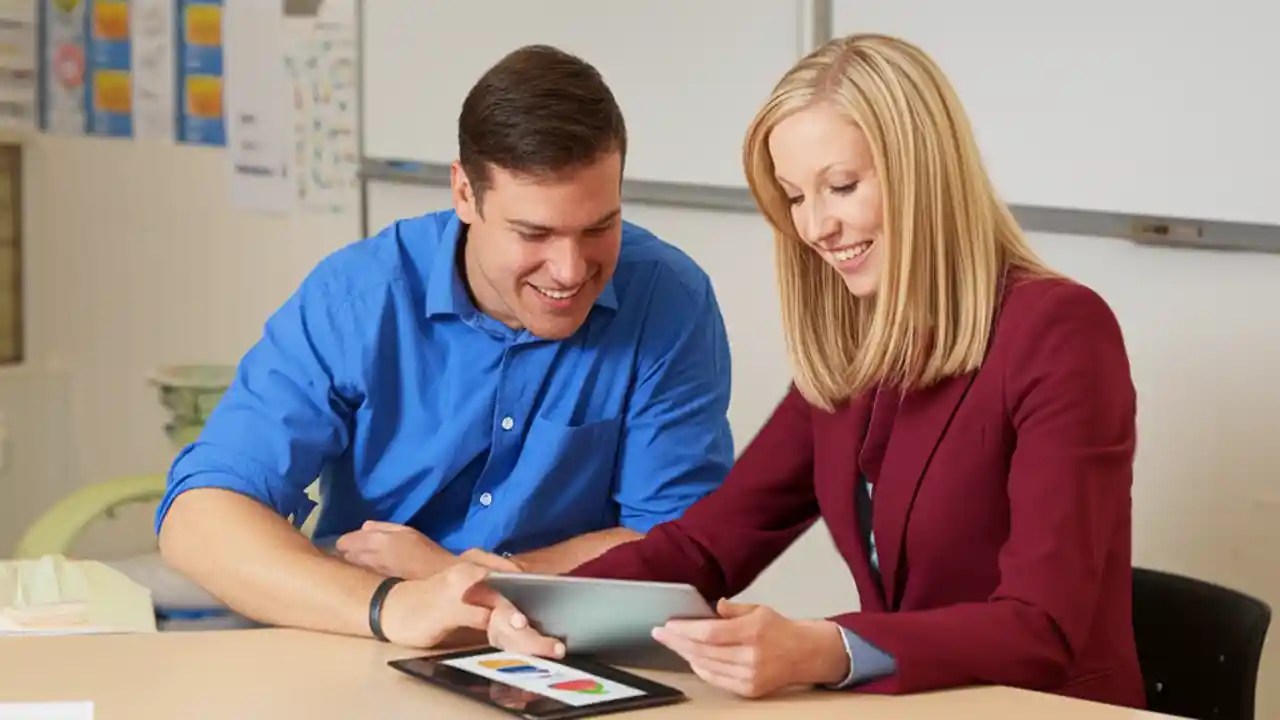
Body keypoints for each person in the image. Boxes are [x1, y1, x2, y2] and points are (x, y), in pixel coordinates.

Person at [482, 34, 1146, 709]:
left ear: (925, 171)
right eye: (796, 197)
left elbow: (1041, 626)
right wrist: (553, 606)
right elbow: (712, 543)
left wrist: (823, 647)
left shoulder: (1060, 332)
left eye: (842, 186)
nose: (816, 226)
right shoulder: (852, 347)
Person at [154, 44, 735, 648]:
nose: (570, 269)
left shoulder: (669, 299)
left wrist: (463, 576)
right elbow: (198, 518)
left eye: (598, 228)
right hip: (364, 640)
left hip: (573, 657)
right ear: (464, 194)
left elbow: (680, 550)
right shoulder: (359, 297)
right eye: (533, 233)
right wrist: (396, 605)